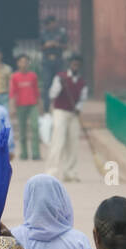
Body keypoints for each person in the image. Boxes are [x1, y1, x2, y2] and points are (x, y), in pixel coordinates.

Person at [46, 54, 88, 182]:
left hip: (73, 114)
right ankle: (51, 172)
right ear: (70, 64)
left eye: (77, 64)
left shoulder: (82, 82)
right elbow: (52, 94)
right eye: (73, 63)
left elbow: (82, 99)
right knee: (58, 141)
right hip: (60, 112)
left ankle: (70, 172)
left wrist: (78, 107)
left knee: (73, 143)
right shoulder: (60, 77)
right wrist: (60, 85)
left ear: (80, 66)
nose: (75, 65)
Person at [8, 52, 42, 161]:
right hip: (20, 105)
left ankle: (36, 153)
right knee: (22, 130)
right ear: (18, 63)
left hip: (32, 105)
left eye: (26, 62)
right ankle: (24, 153)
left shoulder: (33, 76)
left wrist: (40, 106)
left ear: (29, 63)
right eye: (22, 62)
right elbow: (12, 93)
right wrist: (12, 107)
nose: (24, 64)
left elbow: (37, 92)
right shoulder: (15, 76)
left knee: (35, 127)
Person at [40, 14, 67, 106]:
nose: (53, 25)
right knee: (47, 83)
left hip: (58, 60)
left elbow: (66, 46)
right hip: (47, 61)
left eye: (54, 23)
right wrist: (46, 45)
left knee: (60, 82)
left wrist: (57, 44)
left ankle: (60, 104)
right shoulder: (43, 33)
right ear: (47, 24)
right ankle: (46, 106)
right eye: (50, 23)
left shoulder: (61, 33)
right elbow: (39, 47)